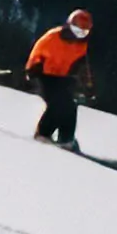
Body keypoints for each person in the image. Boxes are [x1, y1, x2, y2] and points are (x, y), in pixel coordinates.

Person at [25, 9, 97, 148]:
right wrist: (33, 67)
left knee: (70, 105)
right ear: (69, 24)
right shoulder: (53, 36)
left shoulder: (81, 45)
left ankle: (66, 139)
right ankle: (43, 134)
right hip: (43, 75)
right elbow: (38, 51)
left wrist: (87, 85)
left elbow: (82, 65)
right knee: (58, 103)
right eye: (77, 30)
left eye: (83, 32)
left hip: (61, 77)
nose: (79, 35)